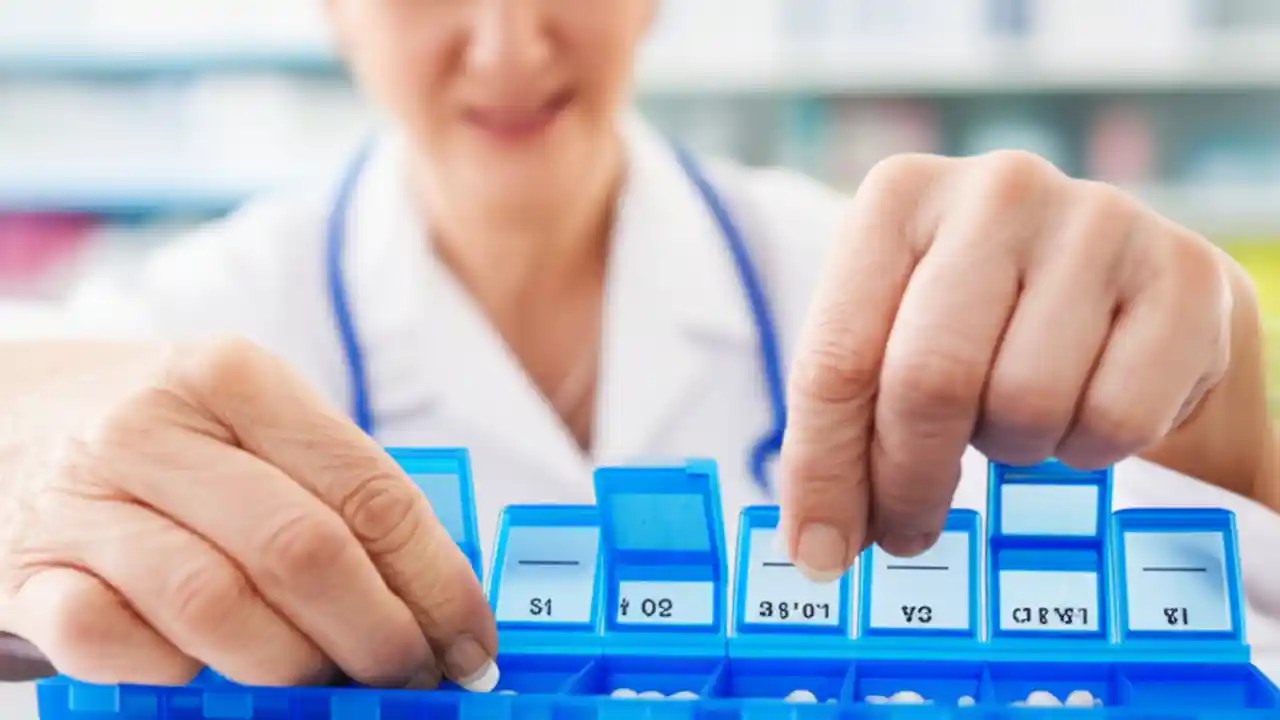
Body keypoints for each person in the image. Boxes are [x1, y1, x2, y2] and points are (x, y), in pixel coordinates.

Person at [1, 0, 1276, 697]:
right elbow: (37, 387)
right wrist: (25, 434)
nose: (507, 45)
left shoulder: (860, 276)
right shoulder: (204, 302)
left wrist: (1222, 426)